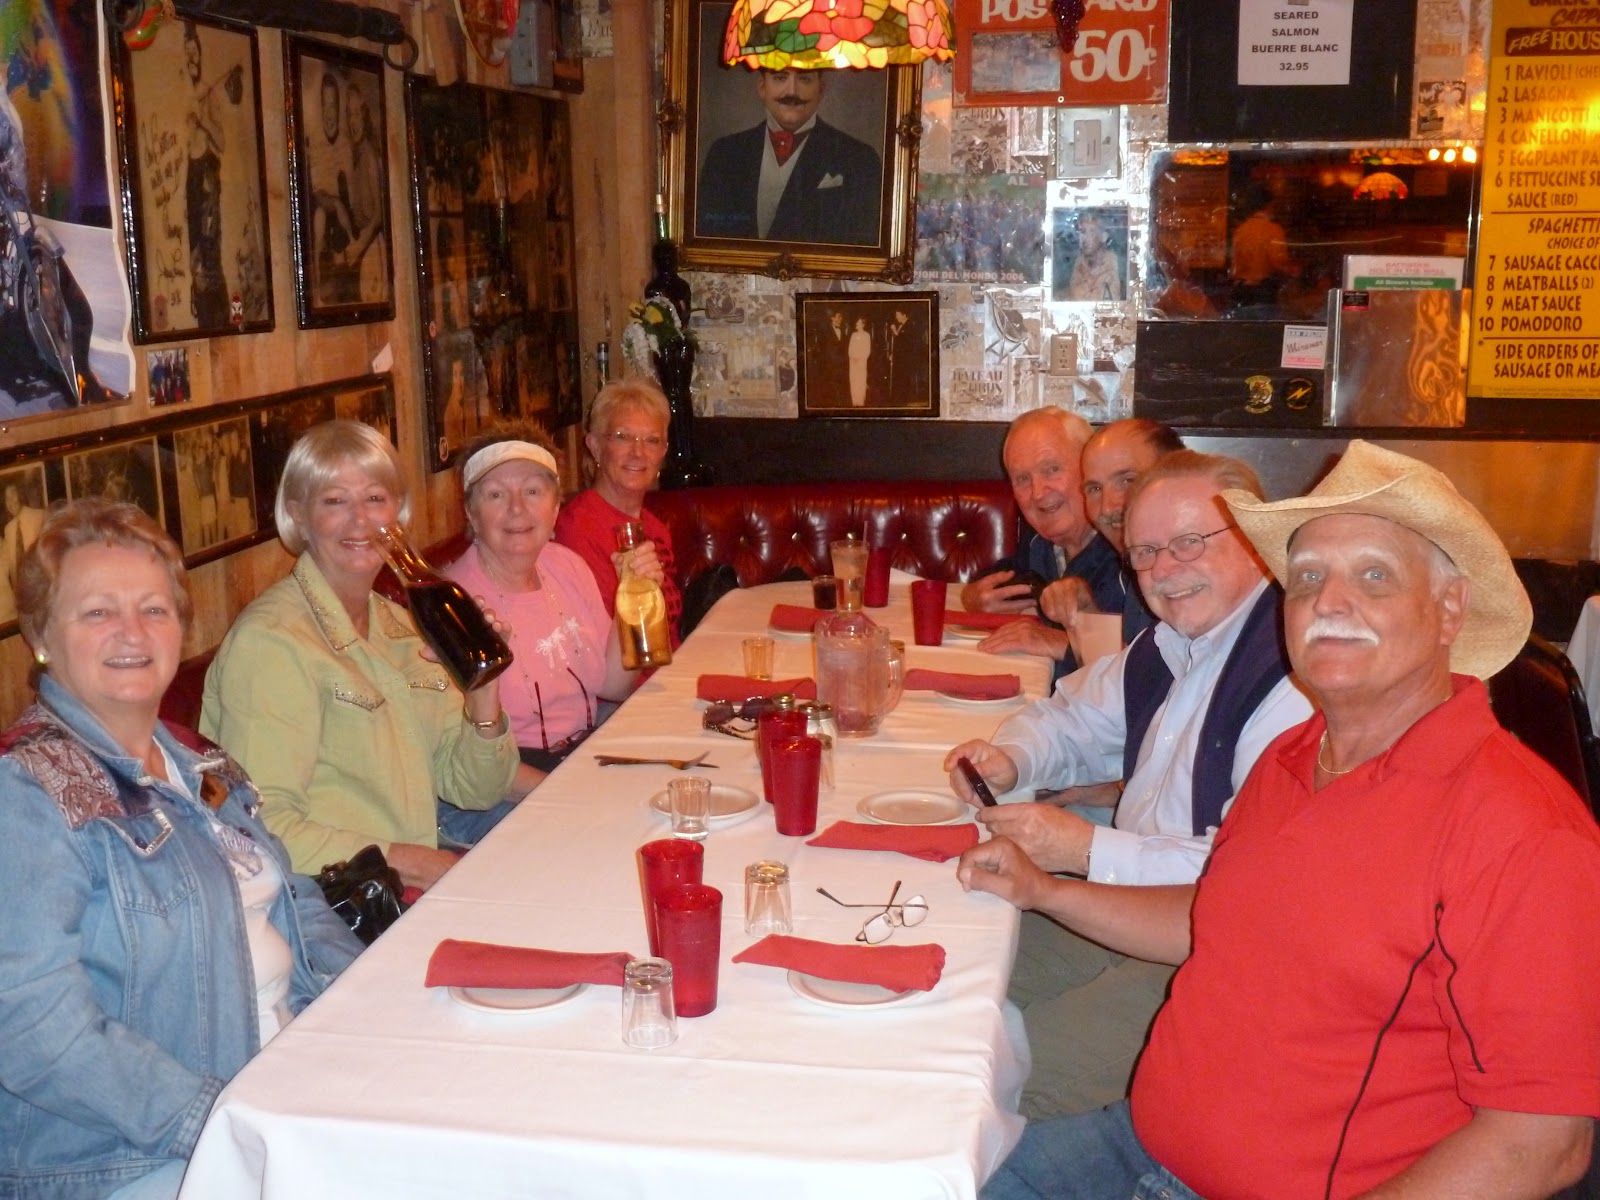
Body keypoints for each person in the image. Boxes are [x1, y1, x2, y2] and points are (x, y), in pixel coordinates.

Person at [971, 441, 1600, 1199]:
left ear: (1449, 610)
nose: (1329, 602)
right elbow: (1218, 914)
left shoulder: (1525, 834)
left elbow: (1543, 1141)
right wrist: (1047, 891)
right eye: (1308, 577)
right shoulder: (1292, 757)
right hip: (1141, 1139)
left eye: (1374, 575)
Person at [0, 499, 361, 1200]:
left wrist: (367, 1007)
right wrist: (218, 1117)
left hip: (278, 1089)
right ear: (42, 636)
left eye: (154, 610)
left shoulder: (199, 765)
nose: (132, 632)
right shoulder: (29, 793)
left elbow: (295, 899)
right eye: (97, 612)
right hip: (136, 1158)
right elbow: (33, 1026)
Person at [946, 451, 1313, 1118]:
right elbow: (1071, 718)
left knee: (992, 1083)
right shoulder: (1169, 643)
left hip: (1219, 957)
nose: (1163, 571)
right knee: (949, 976)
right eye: (1144, 553)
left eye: (1188, 543)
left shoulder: (1296, 678)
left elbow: (1246, 879)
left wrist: (1083, 849)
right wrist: (1014, 761)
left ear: (1256, 541)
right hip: (1120, 906)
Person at [201, 420, 519, 891]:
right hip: (329, 899)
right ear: (298, 516)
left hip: (405, 882)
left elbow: (476, 790)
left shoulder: (404, 626)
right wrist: (416, 863)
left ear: (397, 512)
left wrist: (483, 693)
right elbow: (262, 828)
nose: (360, 521)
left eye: (374, 498)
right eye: (334, 501)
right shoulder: (271, 642)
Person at [445, 422, 640, 794]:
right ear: (471, 513)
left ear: (555, 508)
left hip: (581, 755)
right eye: (496, 495)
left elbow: (614, 685)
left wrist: (632, 595)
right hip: (511, 782)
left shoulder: (567, 565)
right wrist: (567, 795)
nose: (517, 509)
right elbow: (466, 766)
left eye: (533, 491)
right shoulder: (454, 605)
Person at [960, 408, 1121, 681]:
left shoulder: (1130, 554)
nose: (1037, 493)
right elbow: (1004, 576)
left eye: (1052, 470)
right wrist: (973, 596)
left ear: (1090, 469)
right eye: (1023, 479)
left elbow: (1142, 674)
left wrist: (1058, 643)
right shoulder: (1041, 543)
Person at [553, 380, 683, 647]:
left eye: (652, 440)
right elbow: (598, 644)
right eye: (623, 437)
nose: (638, 452)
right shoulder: (577, 529)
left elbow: (668, 634)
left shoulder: (655, 528)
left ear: (663, 452)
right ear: (595, 446)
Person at [1037, 418, 1183, 646]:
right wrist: (1088, 614)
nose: (1107, 507)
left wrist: (1060, 646)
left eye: (1127, 481)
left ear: (1176, 477)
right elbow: (1132, 661)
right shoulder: (1136, 564)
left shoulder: (1192, 570)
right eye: (1095, 488)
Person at [696, 68, 881, 245]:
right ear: (762, 87)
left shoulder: (860, 159)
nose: (792, 91)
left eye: (804, 79)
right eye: (780, 77)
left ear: (821, 89)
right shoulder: (723, 155)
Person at [182, 21, 228, 329]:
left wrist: (203, 121)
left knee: (210, 249)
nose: (192, 58)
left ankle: (218, 313)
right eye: (187, 53)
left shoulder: (207, 95)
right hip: (191, 181)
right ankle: (204, 313)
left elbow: (221, 142)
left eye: (195, 52)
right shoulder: (183, 92)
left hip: (208, 179)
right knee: (195, 252)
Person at [1064, 211, 1123, 301]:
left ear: (1104, 236)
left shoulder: (1117, 265)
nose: (1084, 239)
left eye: (1091, 232)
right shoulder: (1076, 264)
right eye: (1082, 232)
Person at [847, 315, 871, 407]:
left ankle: (860, 403)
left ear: (863, 324)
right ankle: (854, 402)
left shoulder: (867, 335)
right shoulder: (853, 335)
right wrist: (853, 357)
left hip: (861, 363)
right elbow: (850, 349)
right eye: (856, 322)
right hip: (853, 362)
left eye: (858, 322)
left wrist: (860, 358)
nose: (856, 323)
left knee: (861, 381)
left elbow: (867, 350)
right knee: (853, 381)